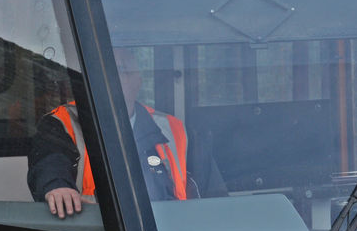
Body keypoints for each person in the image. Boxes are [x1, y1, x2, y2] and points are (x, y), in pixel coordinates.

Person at [28, 48, 226, 217]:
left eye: (120, 69)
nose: (110, 78)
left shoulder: (176, 130)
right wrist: (57, 186)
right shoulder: (62, 123)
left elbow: (214, 196)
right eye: (102, 70)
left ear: (137, 80)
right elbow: (50, 160)